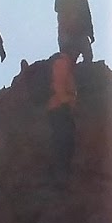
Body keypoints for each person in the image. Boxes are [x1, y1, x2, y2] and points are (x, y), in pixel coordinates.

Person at [46, 51, 78, 186]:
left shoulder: (64, 62)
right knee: (64, 141)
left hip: (58, 107)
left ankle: (61, 174)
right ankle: (60, 176)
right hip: (59, 107)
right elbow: (59, 85)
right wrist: (68, 100)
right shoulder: (62, 62)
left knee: (63, 141)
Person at [54, 0, 95, 65]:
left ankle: (84, 75)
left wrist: (91, 33)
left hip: (80, 32)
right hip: (66, 32)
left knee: (88, 56)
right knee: (67, 59)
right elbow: (57, 8)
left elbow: (88, 16)